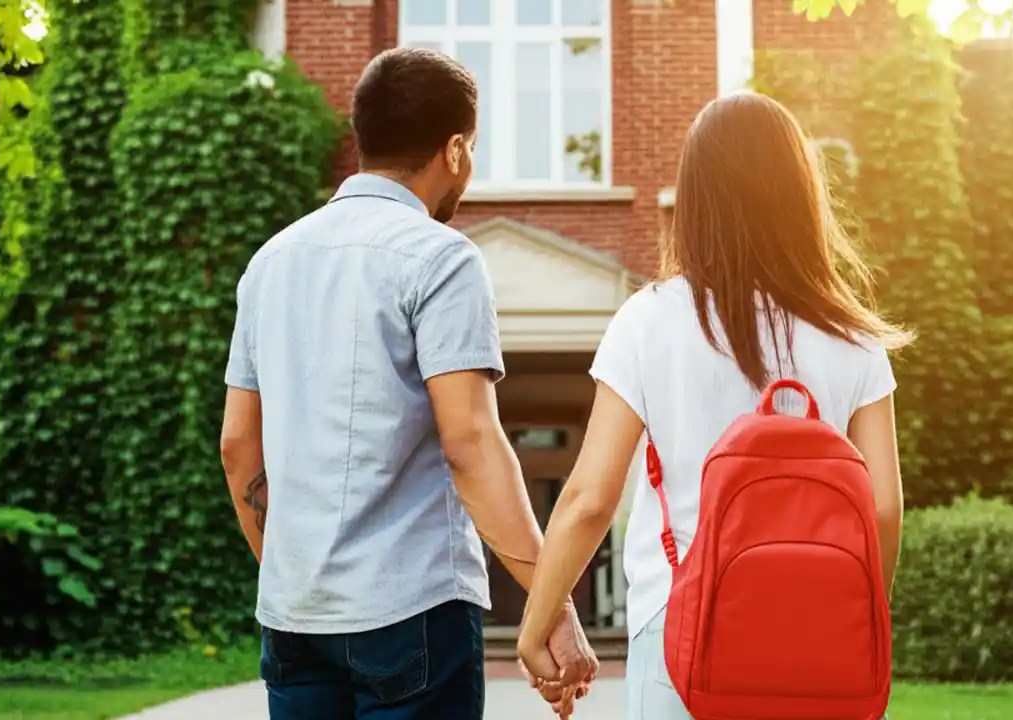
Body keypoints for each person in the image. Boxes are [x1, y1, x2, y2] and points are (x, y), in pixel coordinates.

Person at [219, 47, 596, 720]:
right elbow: (471, 444)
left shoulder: (269, 263)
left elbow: (237, 445)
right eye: (471, 150)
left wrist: (291, 571)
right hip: (412, 614)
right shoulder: (442, 258)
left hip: (295, 616)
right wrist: (552, 605)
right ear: (454, 149)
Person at [516, 91, 909, 719]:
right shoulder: (853, 336)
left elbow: (591, 498)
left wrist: (539, 621)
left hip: (681, 633)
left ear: (696, 200)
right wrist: (853, 620)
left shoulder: (650, 320)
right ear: (801, 196)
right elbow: (883, 506)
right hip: (816, 636)